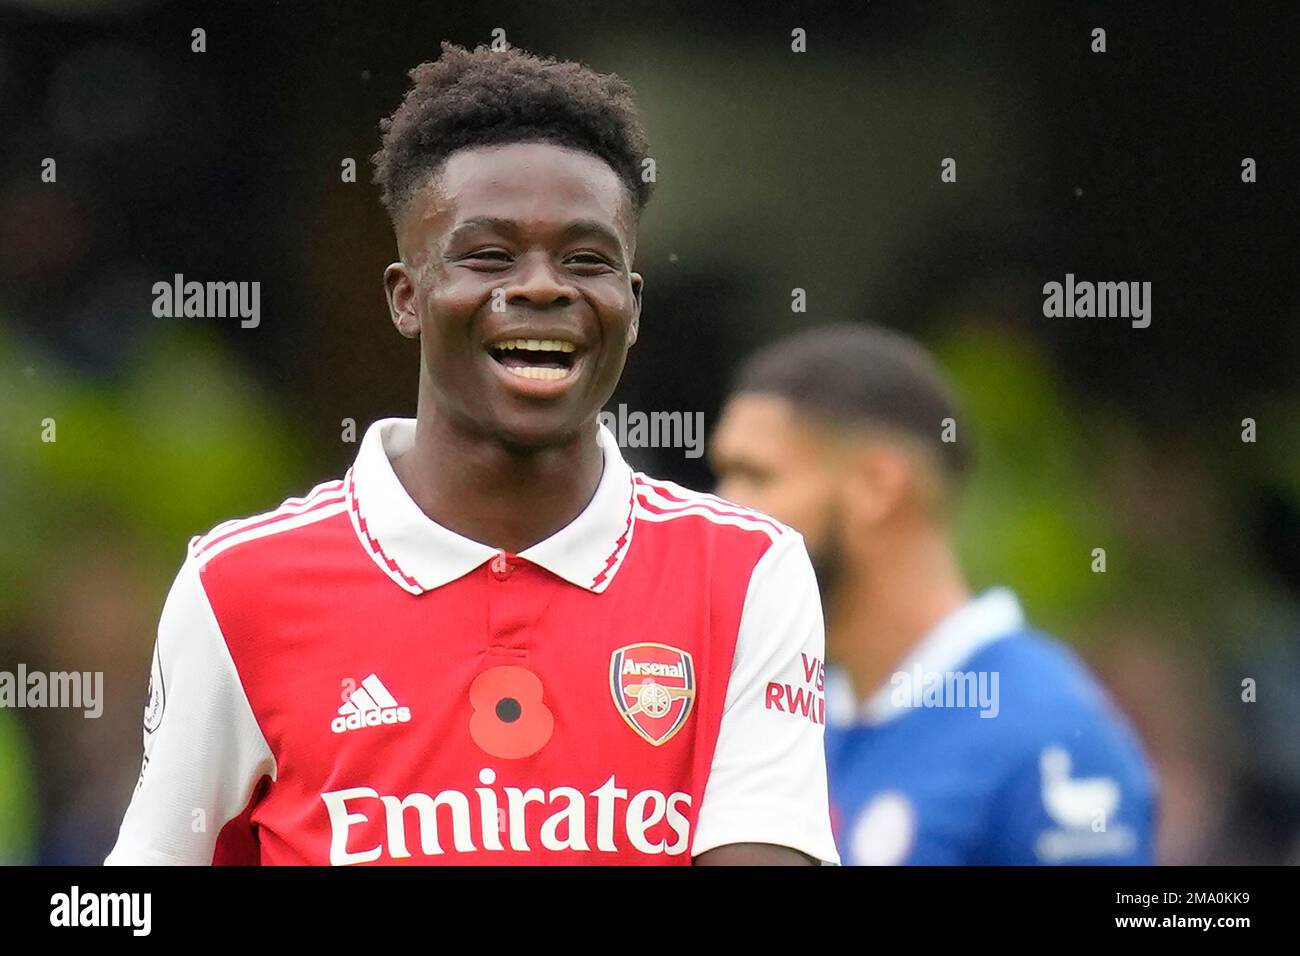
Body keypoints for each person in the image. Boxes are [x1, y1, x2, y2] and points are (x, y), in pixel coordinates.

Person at [105, 43, 837, 866]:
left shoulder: (745, 571)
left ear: (630, 308)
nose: (540, 286)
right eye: (487, 254)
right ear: (407, 296)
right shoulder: (240, 586)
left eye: (585, 259)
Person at [710, 323, 1156, 864]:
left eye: (755, 477)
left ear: (878, 486)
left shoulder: (1048, 733)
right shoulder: (786, 720)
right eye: (723, 478)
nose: (722, 513)